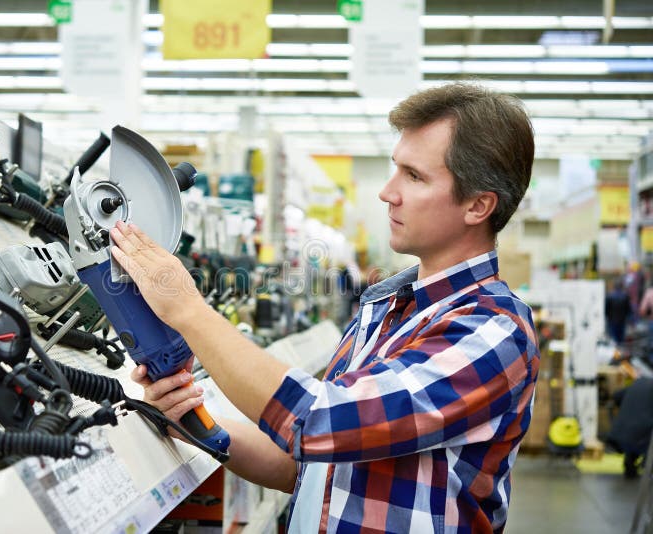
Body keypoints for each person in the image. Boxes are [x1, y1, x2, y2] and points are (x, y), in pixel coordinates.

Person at [109, 82, 540, 533]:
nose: (387, 192)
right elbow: (305, 464)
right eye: (395, 170)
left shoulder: (493, 329)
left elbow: (318, 420)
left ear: (478, 205)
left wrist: (187, 309)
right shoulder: (387, 308)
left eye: (414, 176)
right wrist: (192, 423)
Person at [605, 277, 633, 345]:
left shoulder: (609, 296)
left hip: (612, 321)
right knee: (620, 340)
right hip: (622, 321)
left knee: (613, 339)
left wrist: (608, 317)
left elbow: (606, 310)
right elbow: (628, 310)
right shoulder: (625, 296)